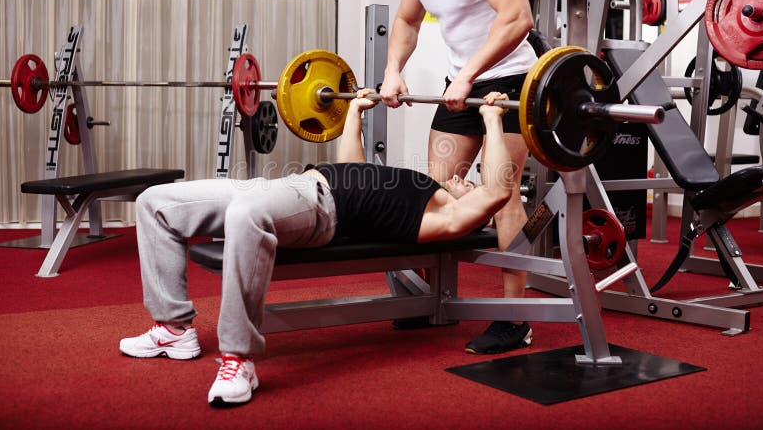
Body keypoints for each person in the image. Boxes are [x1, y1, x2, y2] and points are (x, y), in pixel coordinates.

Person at [119, 89, 514, 408]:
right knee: (155, 203)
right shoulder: (420, 189)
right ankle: (173, 329)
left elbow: (498, 189)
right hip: (288, 187)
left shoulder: (445, 218)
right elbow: (355, 168)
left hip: (318, 209)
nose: (468, 180)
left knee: (245, 214)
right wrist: (355, 113)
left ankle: (238, 359)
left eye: (472, 186)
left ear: (476, 211)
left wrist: (492, 122)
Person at [362, 0, 537, 354]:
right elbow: (406, 19)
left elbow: (517, 18)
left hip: (514, 82)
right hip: (461, 86)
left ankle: (514, 319)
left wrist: (467, 74)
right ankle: (430, 301)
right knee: (436, 189)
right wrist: (393, 70)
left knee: (502, 191)